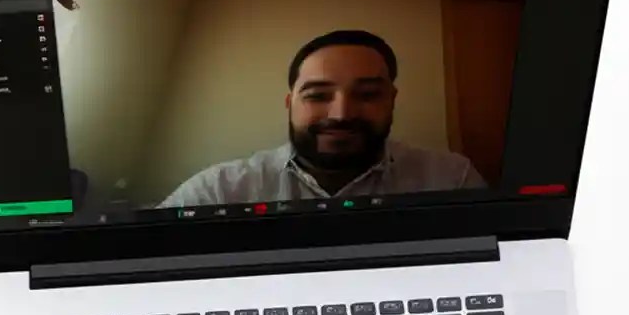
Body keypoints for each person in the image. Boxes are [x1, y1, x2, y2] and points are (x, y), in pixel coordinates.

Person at [159, 30, 485, 208]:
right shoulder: (219, 191)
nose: (341, 114)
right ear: (290, 103)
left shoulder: (453, 179)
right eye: (317, 95)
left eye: (368, 94)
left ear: (392, 100)